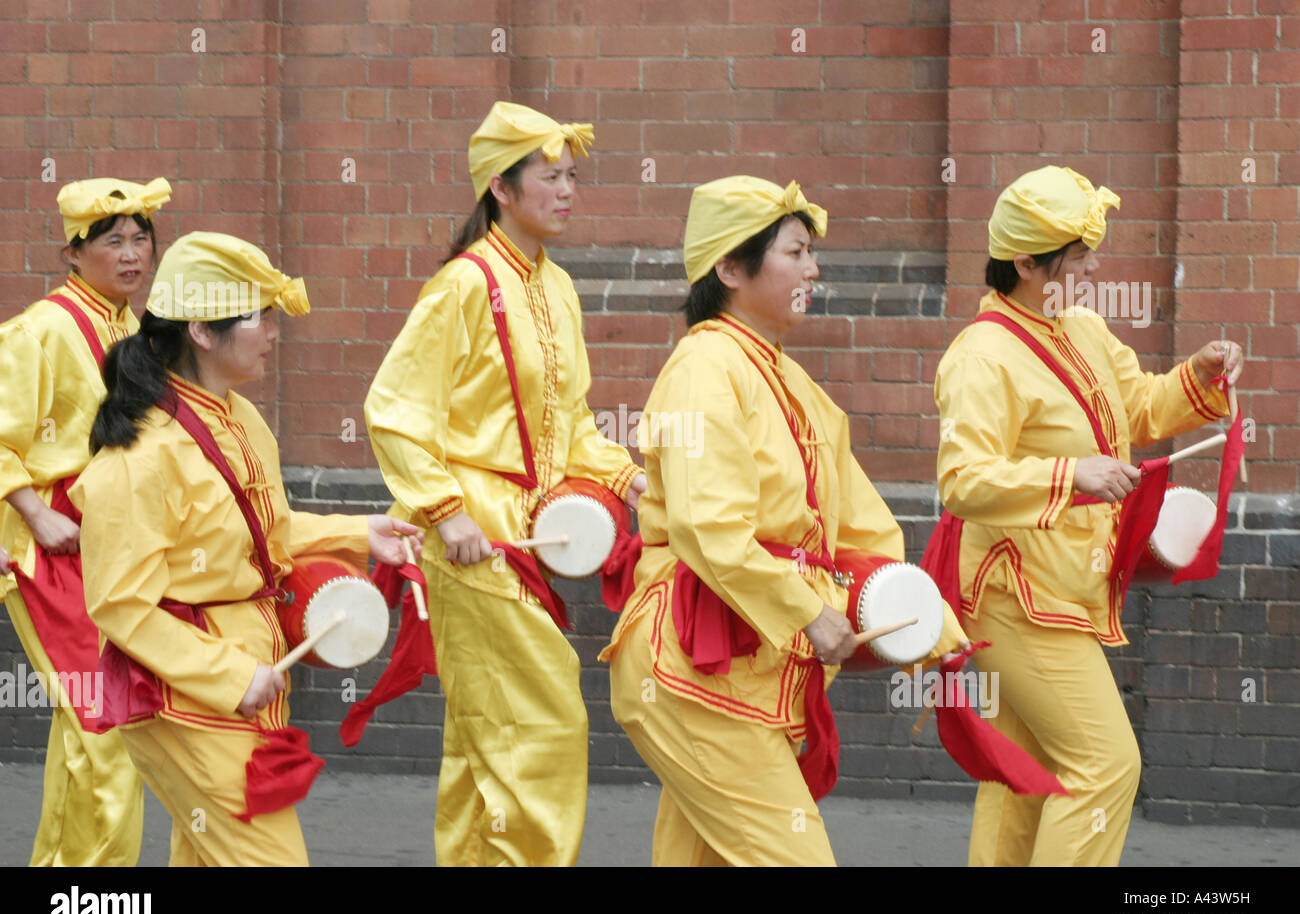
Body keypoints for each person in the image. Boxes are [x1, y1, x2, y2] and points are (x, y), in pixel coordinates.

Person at [600, 176, 964, 866]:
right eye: (795, 252)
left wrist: (929, 621)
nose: (813, 269)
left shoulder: (794, 386)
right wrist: (807, 609)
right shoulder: (705, 367)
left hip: (743, 663)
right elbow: (711, 530)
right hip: (693, 660)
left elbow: (858, 532)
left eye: (810, 253)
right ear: (731, 269)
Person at [69, 232, 421, 866]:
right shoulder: (140, 456)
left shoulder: (240, 417)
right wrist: (231, 676)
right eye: (258, 315)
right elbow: (122, 607)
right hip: (186, 697)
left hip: (242, 677)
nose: (272, 331)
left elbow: (265, 534)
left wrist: (356, 533)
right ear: (202, 331)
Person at [932, 165, 1244, 866]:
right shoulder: (980, 356)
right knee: (1107, 766)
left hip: (1055, 586)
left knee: (1023, 780)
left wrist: (1196, 376)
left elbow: (1136, 407)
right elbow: (961, 480)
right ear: (1025, 263)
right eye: (1077, 255)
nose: (1090, 266)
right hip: (1018, 596)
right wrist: (1073, 474)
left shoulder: (1082, 329)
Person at [364, 101, 645, 866]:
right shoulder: (464, 284)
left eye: (572, 177)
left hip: (536, 529)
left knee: (484, 734)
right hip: (475, 535)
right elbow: (392, 408)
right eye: (549, 177)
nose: (567, 191)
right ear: (502, 188)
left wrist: (627, 479)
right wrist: (444, 509)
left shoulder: (557, 287)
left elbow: (575, 422)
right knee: (545, 718)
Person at [0, 176, 171, 867]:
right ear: (73, 253)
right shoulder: (38, 330)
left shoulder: (137, 328)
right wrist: (34, 513)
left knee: (86, 731)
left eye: (140, 239)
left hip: (112, 547)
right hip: (52, 551)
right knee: (107, 729)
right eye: (112, 241)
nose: (131, 254)